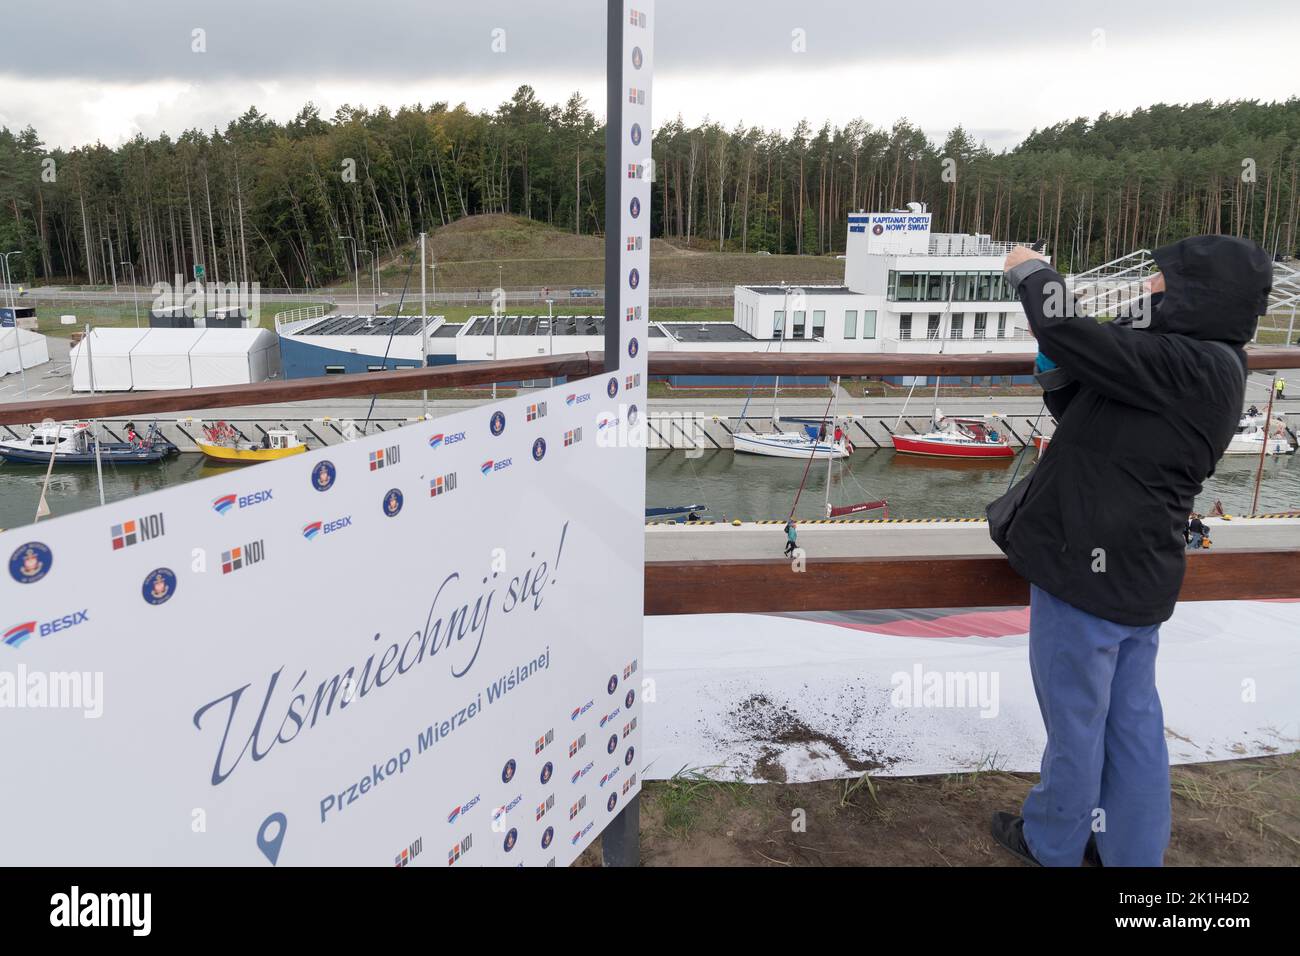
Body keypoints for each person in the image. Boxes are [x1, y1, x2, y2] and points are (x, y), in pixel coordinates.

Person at [986, 235, 1271, 867]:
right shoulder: (1212, 362)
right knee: (1130, 722)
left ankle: (1053, 842)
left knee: (1076, 724)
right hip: (1140, 572)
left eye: (1160, 283)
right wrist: (1060, 373)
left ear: (1197, 297)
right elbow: (1097, 410)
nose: (1147, 290)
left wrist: (1029, 269)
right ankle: (1130, 854)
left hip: (1089, 568)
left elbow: (1064, 327)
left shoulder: (1186, 361)